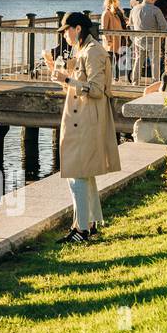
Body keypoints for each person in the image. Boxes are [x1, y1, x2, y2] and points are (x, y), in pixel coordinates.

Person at [51, 12, 121, 243]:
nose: (65, 36)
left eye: (66, 31)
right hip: (78, 117)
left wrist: (67, 80)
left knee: (78, 173)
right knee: (82, 173)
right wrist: (62, 77)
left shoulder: (93, 52)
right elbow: (77, 87)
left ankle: (81, 229)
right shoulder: (81, 50)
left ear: (78, 28)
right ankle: (87, 224)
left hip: (88, 119)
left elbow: (96, 89)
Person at [129, 0, 167, 83]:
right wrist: (161, 36)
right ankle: (155, 82)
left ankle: (135, 81)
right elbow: (164, 25)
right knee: (155, 62)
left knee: (138, 61)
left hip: (138, 40)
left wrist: (134, 37)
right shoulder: (155, 10)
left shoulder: (134, 9)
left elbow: (130, 24)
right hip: (153, 39)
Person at [100, 0, 127, 79]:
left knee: (119, 60)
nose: (118, 2)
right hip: (111, 42)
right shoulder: (106, 13)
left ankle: (116, 77)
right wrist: (108, 41)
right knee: (109, 61)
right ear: (111, 2)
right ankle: (107, 78)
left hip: (119, 40)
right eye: (116, 1)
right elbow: (104, 29)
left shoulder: (117, 12)